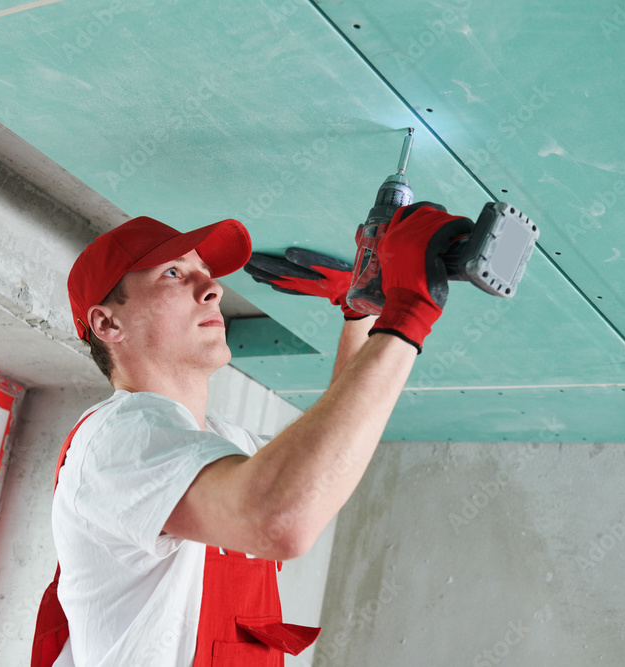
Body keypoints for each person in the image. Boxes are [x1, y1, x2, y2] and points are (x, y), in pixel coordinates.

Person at [32, 205, 472, 666]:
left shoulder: (225, 445)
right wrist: (407, 312)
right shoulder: (118, 437)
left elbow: (318, 476)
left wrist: (362, 311)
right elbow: (282, 519)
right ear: (107, 324)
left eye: (204, 272)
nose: (213, 288)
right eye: (173, 273)